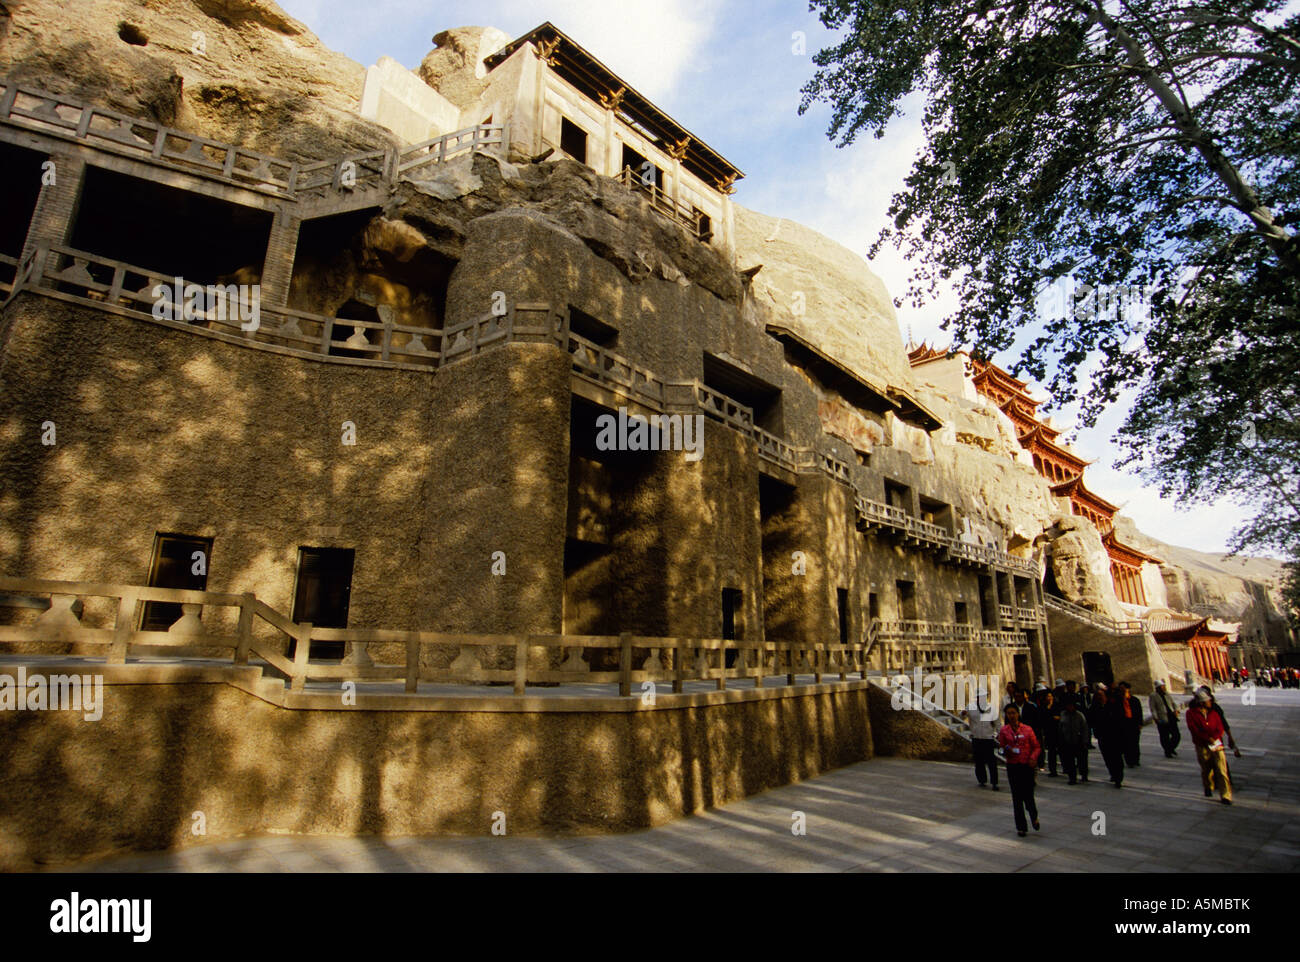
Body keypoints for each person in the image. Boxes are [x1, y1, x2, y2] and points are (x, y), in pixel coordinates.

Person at [997, 703, 1041, 837]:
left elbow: (1037, 746)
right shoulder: (1004, 731)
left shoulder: (1027, 729)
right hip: (1013, 766)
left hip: (1026, 766)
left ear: (1018, 714)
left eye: (1013, 713)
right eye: (1009, 713)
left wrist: (1033, 758)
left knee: (1028, 795)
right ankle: (1021, 826)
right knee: (1016, 797)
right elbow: (1001, 747)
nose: (1011, 716)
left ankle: (1033, 816)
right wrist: (1005, 750)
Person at [1186, 689, 1233, 804]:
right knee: (1206, 769)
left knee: (1222, 769)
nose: (1210, 702)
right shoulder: (1191, 714)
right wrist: (1208, 738)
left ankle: (1226, 795)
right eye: (1208, 700)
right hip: (1202, 744)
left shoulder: (1214, 712)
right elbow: (1195, 729)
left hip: (1216, 743)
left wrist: (1215, 737)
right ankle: (1208, 785)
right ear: (1202, 702)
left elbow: (1220, 727)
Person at [963, 692, 1000, 791]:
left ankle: (994, 782)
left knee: (991, 762)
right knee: (979, 761)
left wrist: (1000, 733)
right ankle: (982, 779)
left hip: (988, 738)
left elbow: (997, 722)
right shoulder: (971, 707)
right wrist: (963, 714)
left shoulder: (992, 708)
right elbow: (962, 715)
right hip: (976, 738)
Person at [1090, 685, 1125, 787]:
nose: (1100, 698)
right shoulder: (1094, 708)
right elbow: (1091, 721)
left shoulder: (1112, 706)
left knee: (1117, 757)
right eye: (1098, 696)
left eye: (1101, 695)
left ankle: (1118, 776)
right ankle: (1113, 773)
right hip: (1102, 737)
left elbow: (1120, 720)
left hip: (1114, 735)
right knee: (1107, 757)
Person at [1111, 680, 1143, 767]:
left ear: (1128, 689)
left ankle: (1136, 759)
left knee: (1135, 743)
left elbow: (1139, 712)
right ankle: (1130, 761)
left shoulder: (1134, 700)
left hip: (1133, 723)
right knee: (1126, 743)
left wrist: (1140, 723)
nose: (1123, 690)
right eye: (1121, 688)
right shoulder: (1117, 700)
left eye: (1124, 688)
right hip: (1123, 724)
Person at [1058, 697, 1091, 785]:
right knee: (1070, 761)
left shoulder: (1079, 715)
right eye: (1068, 706)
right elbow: (1060, 728)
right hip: (1067, 741)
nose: (1070, 707)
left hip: (1079, 741)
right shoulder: (1063, 714)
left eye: (1071, 706)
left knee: (1082, 760)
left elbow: (1085, 728)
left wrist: (1085, 741)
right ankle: (1072, 778)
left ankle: (1084, 775)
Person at [1148, 679, 1182, 758]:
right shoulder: (1153, 696)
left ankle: (1170, 748)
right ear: (1158, 688)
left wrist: (1176, 710)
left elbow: (1173, 703)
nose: (1164, 688)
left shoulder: (1167, 694)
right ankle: (1168, 751)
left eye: (1164, 686)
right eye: (1162, 686)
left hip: (1171, 716)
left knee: (1176, 735)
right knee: (1164, 736)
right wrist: (1155, 718)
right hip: (1162, 718)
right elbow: (1153, 708)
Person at [1038, 688, 1062, 777]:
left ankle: (1067, 768)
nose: (1049, 698)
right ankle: (1053, 770)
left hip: (1058, 731)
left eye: (1050, 696)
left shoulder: (1056, 705)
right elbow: (1042, 719)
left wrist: (1055, 718)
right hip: (1048, 731)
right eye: (1047, 696)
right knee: (1051, 752)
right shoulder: (1043, 707)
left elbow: (1060, 716)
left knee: (1062, 750)